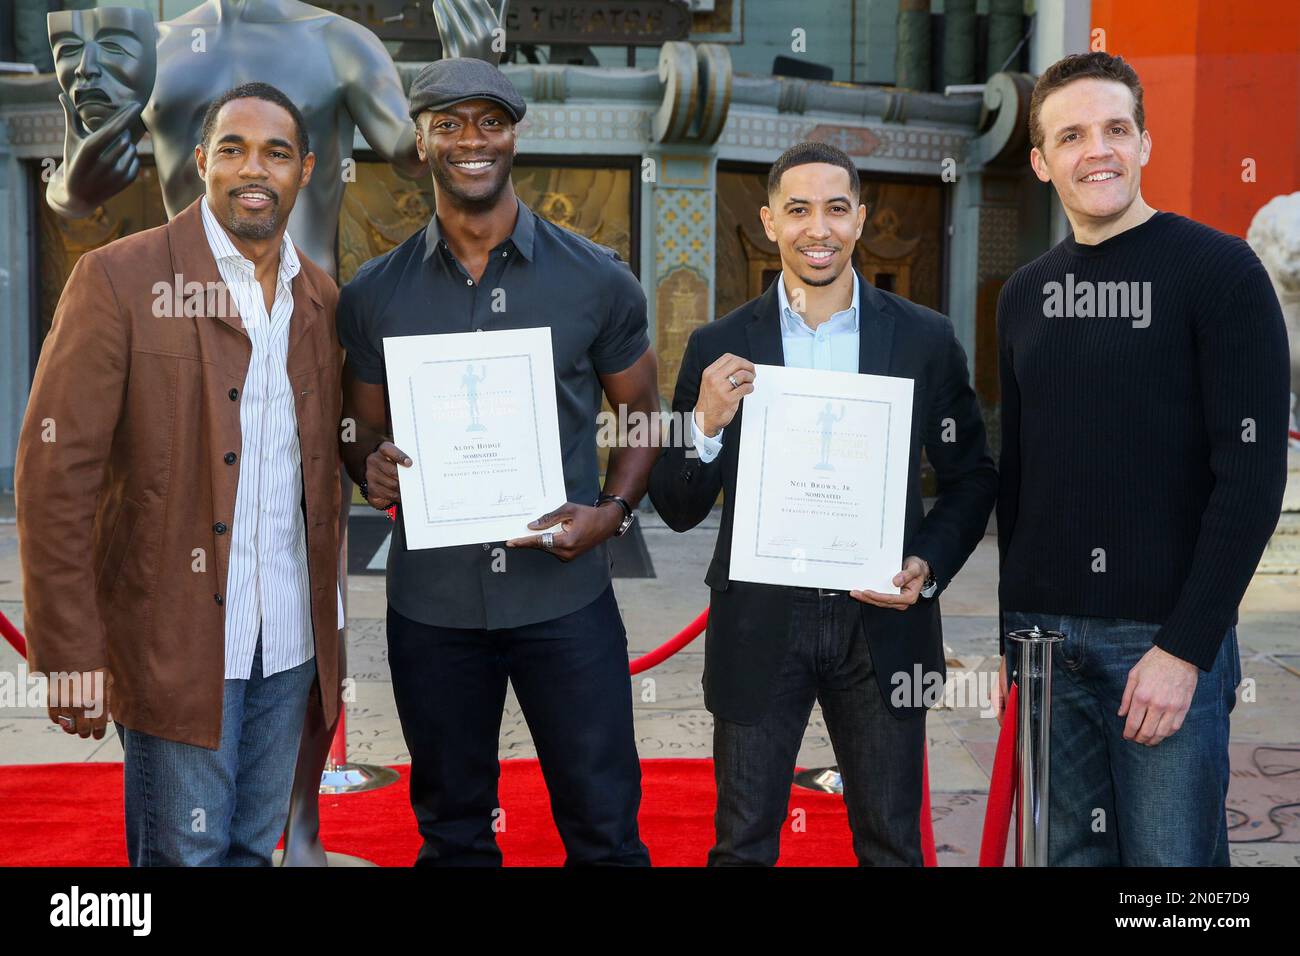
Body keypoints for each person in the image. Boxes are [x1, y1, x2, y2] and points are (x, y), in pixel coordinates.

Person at [336, 58, 660, 866]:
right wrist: (367, 466)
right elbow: (357, 428)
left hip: (566, 597)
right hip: (434, 607)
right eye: (448, 124)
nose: (470, 140)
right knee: (451, 833)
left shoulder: (596, 279)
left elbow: (644, 415)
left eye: (489, 121)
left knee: (604, 827)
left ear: (515, 134)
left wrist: (613, 514)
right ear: (420, 141)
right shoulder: (376, 292)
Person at [16, 82, 344, 866]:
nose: (251, 169)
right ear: (200, 163)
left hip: (290, 642)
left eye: (274, 152)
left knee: (244, 854)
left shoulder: (321, 300)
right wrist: (70, 654)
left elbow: (327, 450)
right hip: (179, 647)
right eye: (231, 149)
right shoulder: (119, 280)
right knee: (183, 860)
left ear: (306, 168)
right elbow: (54, 478)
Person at [648, 141, 997, 866]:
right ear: (770, 221)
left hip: (882, 621)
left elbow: (972, 476)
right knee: (742, 843)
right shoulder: (718, 343)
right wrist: (705, 424)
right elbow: (678, 506)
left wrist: (925, 565)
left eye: (836, 209)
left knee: (892, 843)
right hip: (758, 618)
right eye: (799, 210)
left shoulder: (923, 338)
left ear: (861, 220)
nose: (819, 228)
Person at [993, 51, 1290, 866]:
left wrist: (1186, 647)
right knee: (1061, 859)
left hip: (1159, 641)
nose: (1099, 150)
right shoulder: (1022, 295)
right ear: (1041, 160)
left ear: (1145, 143)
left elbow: (1253, 478)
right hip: (1044, 644)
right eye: (1073, 134)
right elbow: (1020, 478)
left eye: (1117, 128)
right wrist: (1013, 636)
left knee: (1172, 872)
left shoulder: (1221, 274)